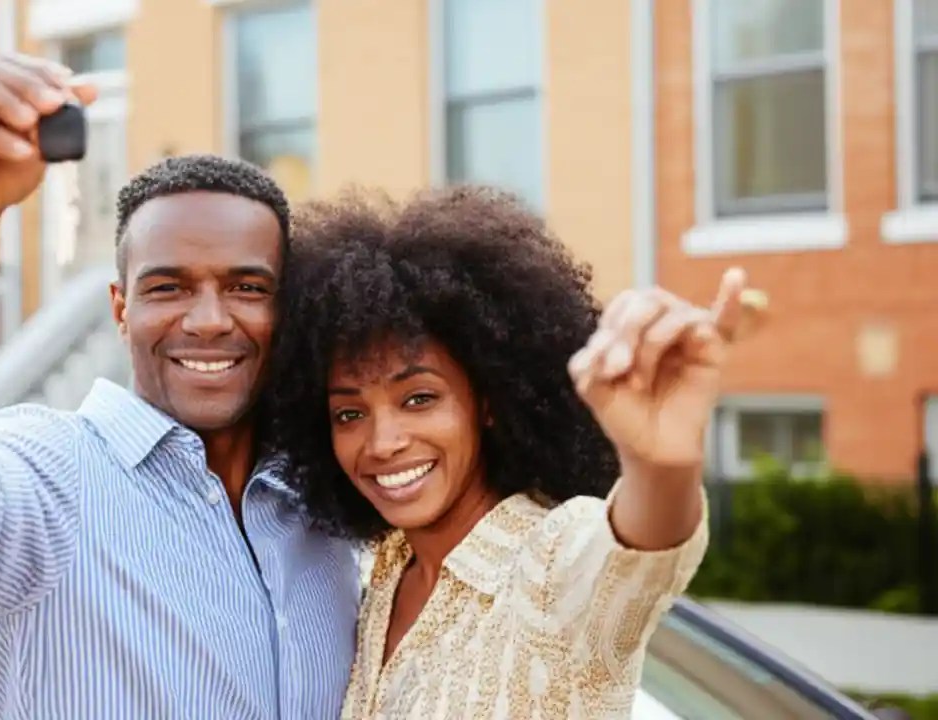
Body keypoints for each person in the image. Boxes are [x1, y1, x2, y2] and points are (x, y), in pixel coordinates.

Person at [0, 53, 359, 719]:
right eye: (168, 287)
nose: (209, 321)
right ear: (122, 310)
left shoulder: (329, 503)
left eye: (246, 287)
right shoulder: (53, 478)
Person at [266, 187, 751, 719]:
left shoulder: (548, 566)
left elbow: (636, 556)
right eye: (350, 414)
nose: (383, 443)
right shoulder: (379, 573)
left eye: (419, 398)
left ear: (490, 401)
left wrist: (660, 465)